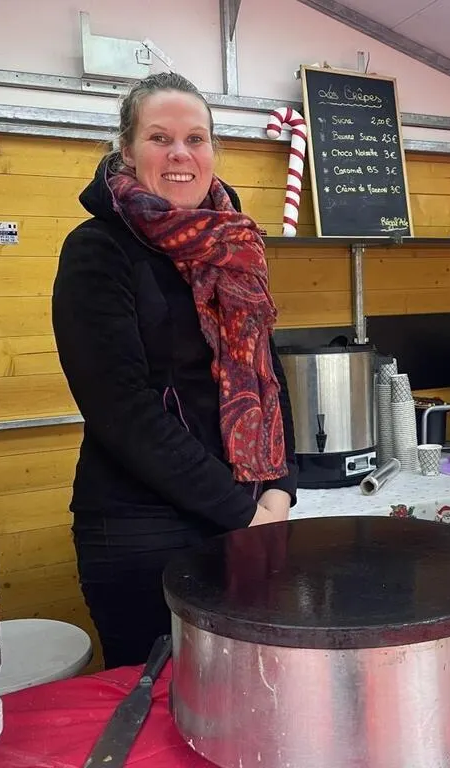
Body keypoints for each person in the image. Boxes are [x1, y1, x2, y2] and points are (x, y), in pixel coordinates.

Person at [51, 72, 299, 669]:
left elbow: (265, 368)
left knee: (245, 693)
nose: (181, 153)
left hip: (246, 514)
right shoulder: (98, 249)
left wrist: (282, 488)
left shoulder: (234, 246)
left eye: (197, 138)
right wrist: (245, 511)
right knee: (156, 703)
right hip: (142, 530)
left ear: (214, 150)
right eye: (160, 137)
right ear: (127, 151)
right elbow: (123, 410)